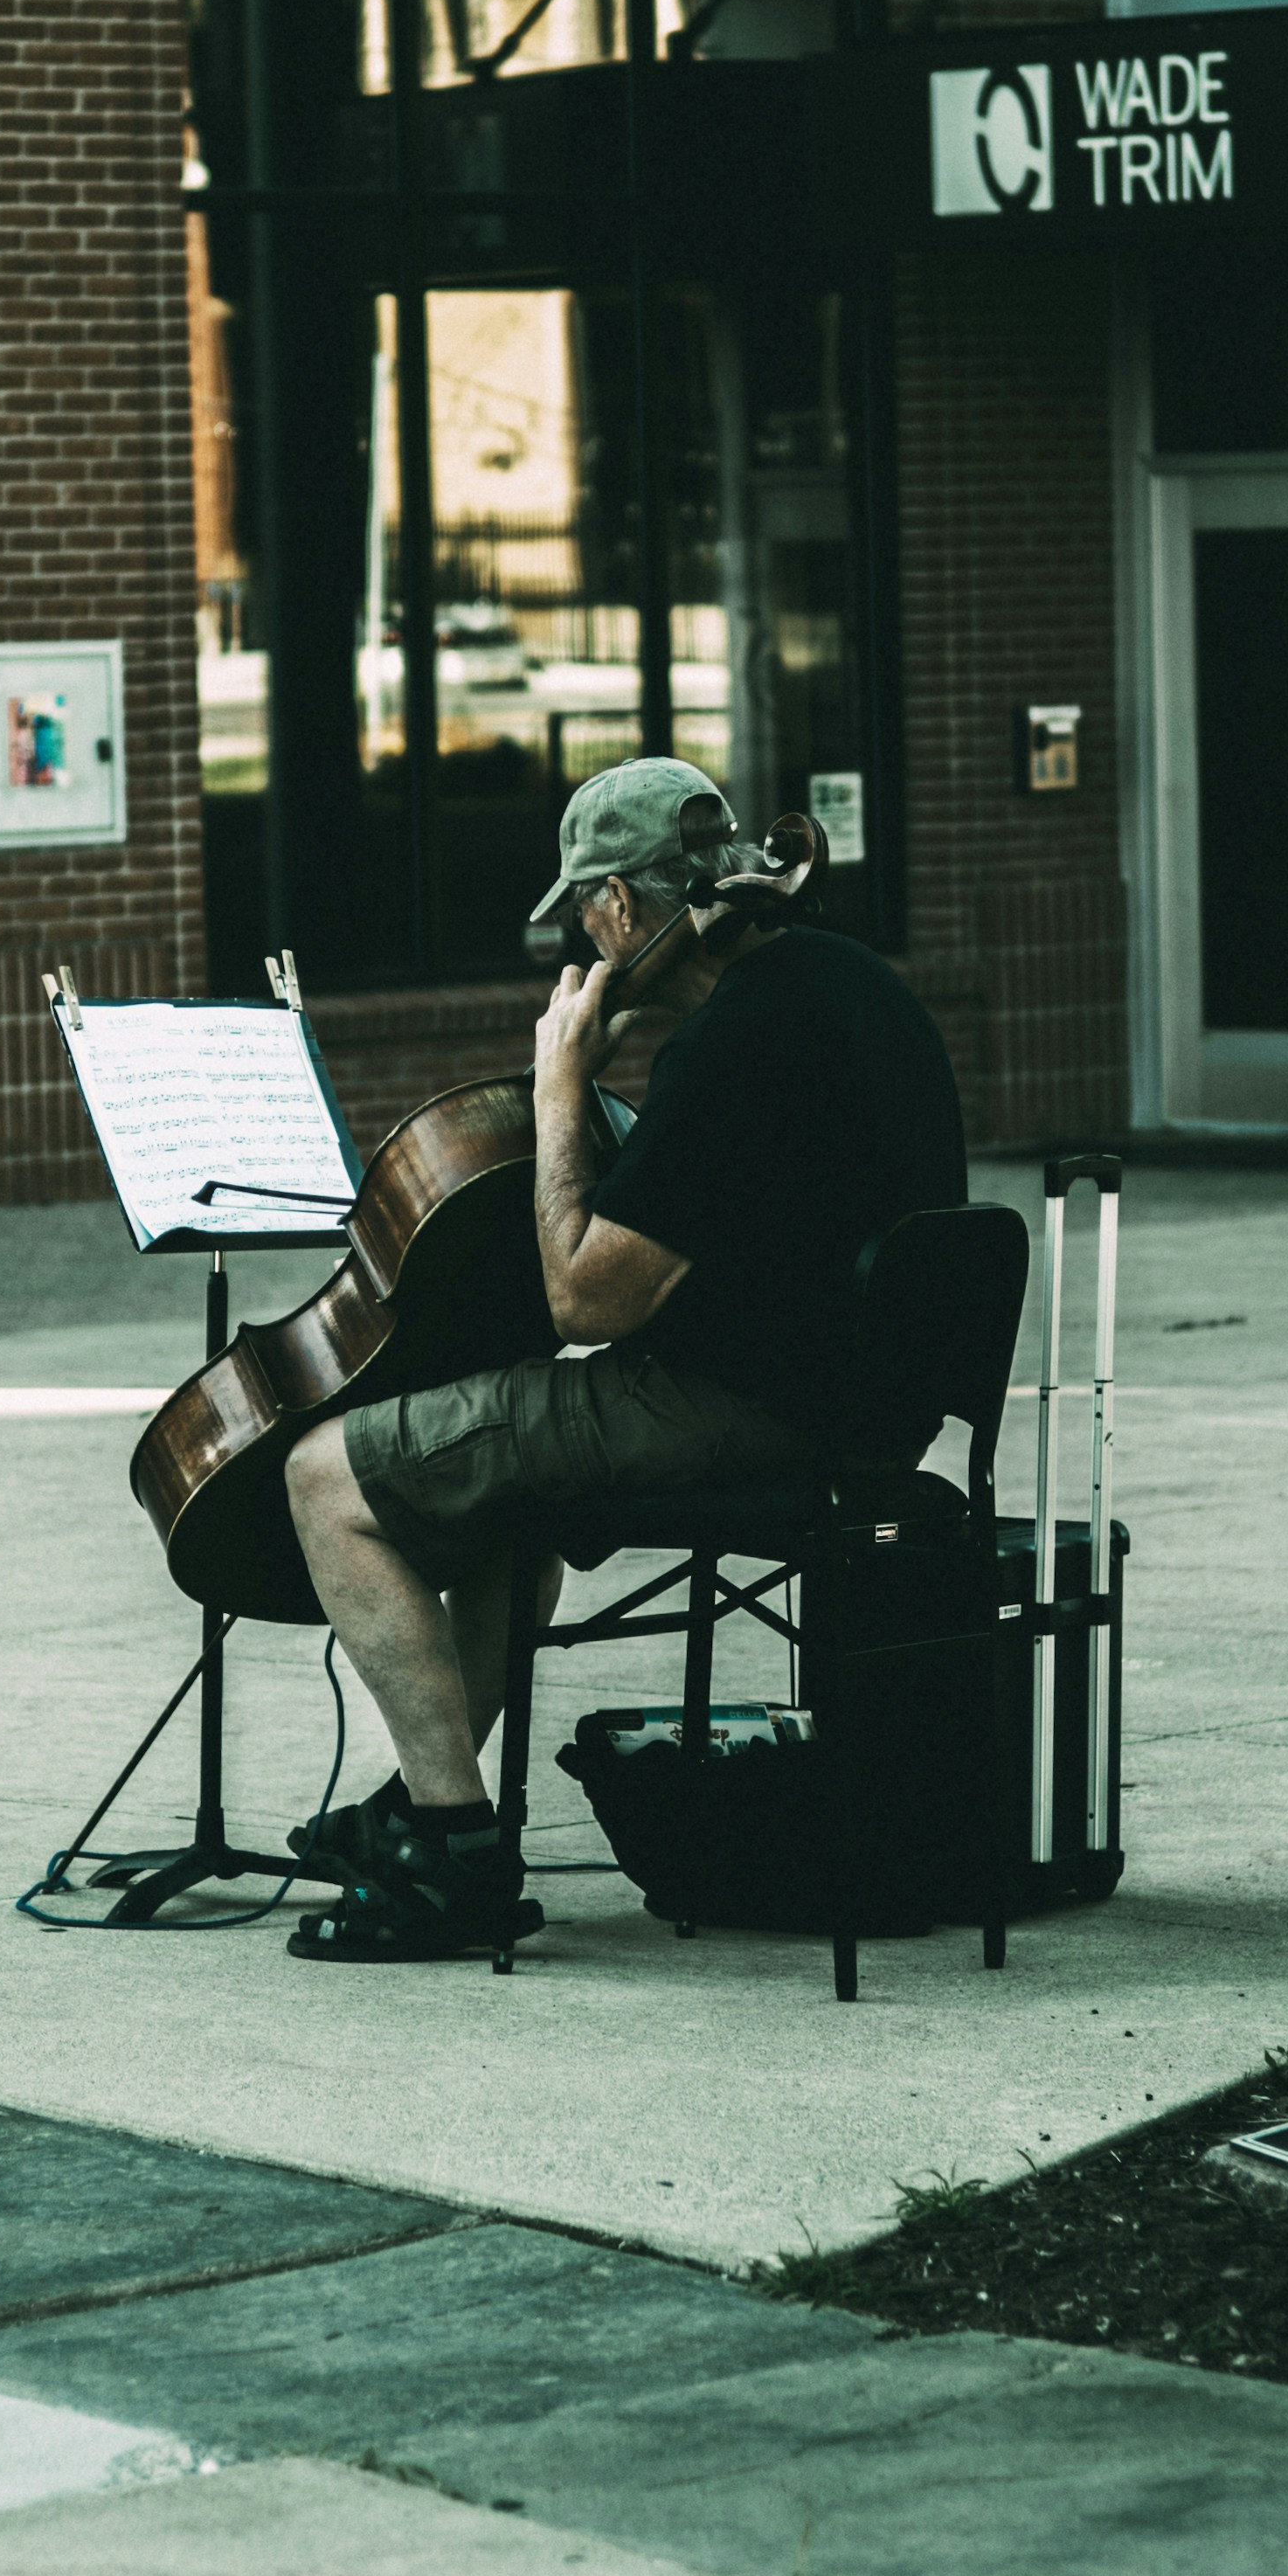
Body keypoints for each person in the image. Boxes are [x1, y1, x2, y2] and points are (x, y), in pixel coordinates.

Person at [279, 755, 966, 1964]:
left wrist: (560, 1089)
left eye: (582, 918)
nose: (578, 949)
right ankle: (422, 1808)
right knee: (503, 1493)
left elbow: (583, 1295)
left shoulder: (733, 1048)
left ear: (616, 909)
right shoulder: (851, 986)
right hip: (866, 1407)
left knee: (326, 1477)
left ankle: (447, 1855)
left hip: (743, 1409)